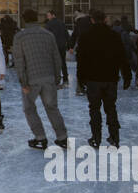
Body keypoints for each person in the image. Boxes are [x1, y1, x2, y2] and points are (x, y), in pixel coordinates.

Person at [14, 8, 69, 150]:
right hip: (49, 77)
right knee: (52, 108)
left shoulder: (20, 37)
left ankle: (40, 138)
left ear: (24, 19)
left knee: (29, 108)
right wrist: (57, 77)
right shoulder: (48, 35)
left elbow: (20, 61)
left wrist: (23, 82)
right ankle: (62, 137)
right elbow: (56, 58)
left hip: (31, 79)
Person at [75, 10, 131, 149]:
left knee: (94, 109)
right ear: (105, 19)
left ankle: (96, 137)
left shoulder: (86, 37)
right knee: (111, 108)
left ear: (92, 20)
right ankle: (114, 137)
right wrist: (127, 75)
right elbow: (122, 57)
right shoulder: (114, 36)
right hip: (110, 77)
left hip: (93, 79)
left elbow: (81, 59)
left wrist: (80, 78)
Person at [68, 10, 93, 95]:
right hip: (90, 48)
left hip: (81, 48)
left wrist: (71, 47)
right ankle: (89, 86)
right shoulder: (90, 21)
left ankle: (80, 88)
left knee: (80, 68)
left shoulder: (79, 23)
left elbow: (74, 35)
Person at [44, 10, 70, 86]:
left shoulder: (49, 24)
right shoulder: (62, 23)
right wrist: (69, 45)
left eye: (48, 15)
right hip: (62, 46)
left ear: (53, 15)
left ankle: (55, 80)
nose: (47, 17)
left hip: (53, 46)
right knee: (63, 63)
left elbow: (46, 36)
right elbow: (66, 34)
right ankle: (65, 80)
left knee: (53, 63)